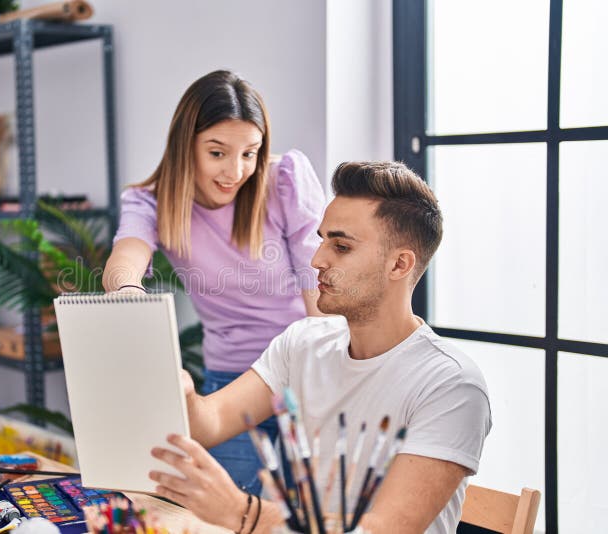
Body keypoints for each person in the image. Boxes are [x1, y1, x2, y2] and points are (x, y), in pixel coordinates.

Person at [148, 161, 492, 534]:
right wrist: (180, 393)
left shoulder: (451, 384)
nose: (317, 260)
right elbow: (210, 422)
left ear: (399, 264)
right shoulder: (304, 343)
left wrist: (241, 512)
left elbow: (382, 529)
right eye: (323, 239)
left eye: (341, 246)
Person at [103, 70, 326, 494]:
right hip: (231, 384)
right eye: (218, 152)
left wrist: (327, 372)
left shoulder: (284, 180)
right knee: (226, 509)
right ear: (186, 144)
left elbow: (318, 281)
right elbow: (125, 260)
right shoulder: (151, 201)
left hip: (304, 371)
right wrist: (129, 295)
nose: (236, 171)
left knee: (308, 511)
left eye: (250, 153)